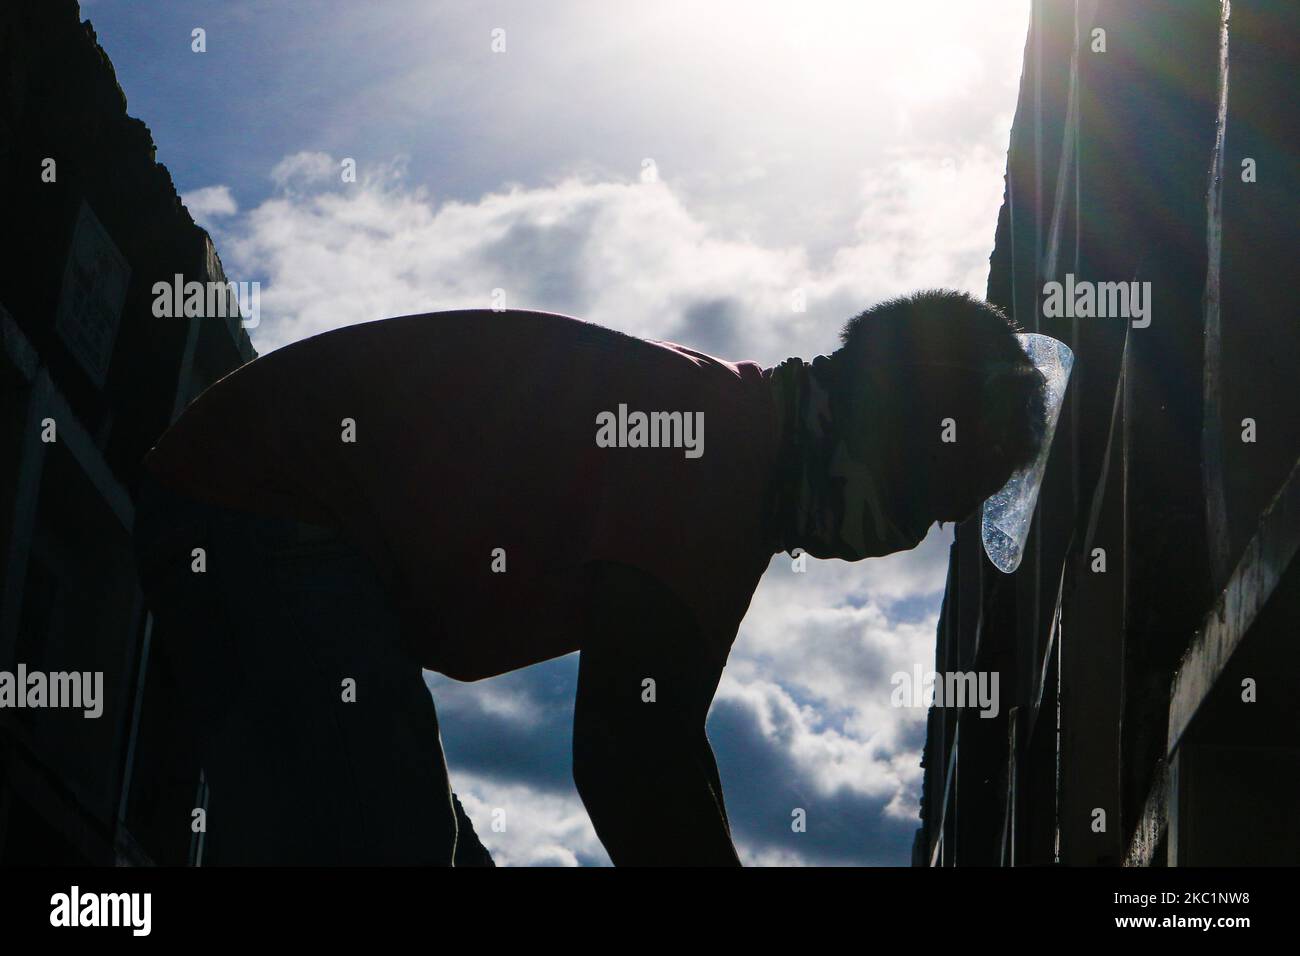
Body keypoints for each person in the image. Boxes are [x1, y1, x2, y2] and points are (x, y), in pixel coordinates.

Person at [134, 289, 1046, 866]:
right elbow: (629, 757)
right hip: (256, 502)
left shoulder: (742, 457)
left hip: (257, 506)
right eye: (931, 497)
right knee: (384, 846)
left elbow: (664, 745)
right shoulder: (716, 451)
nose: (917, 531)